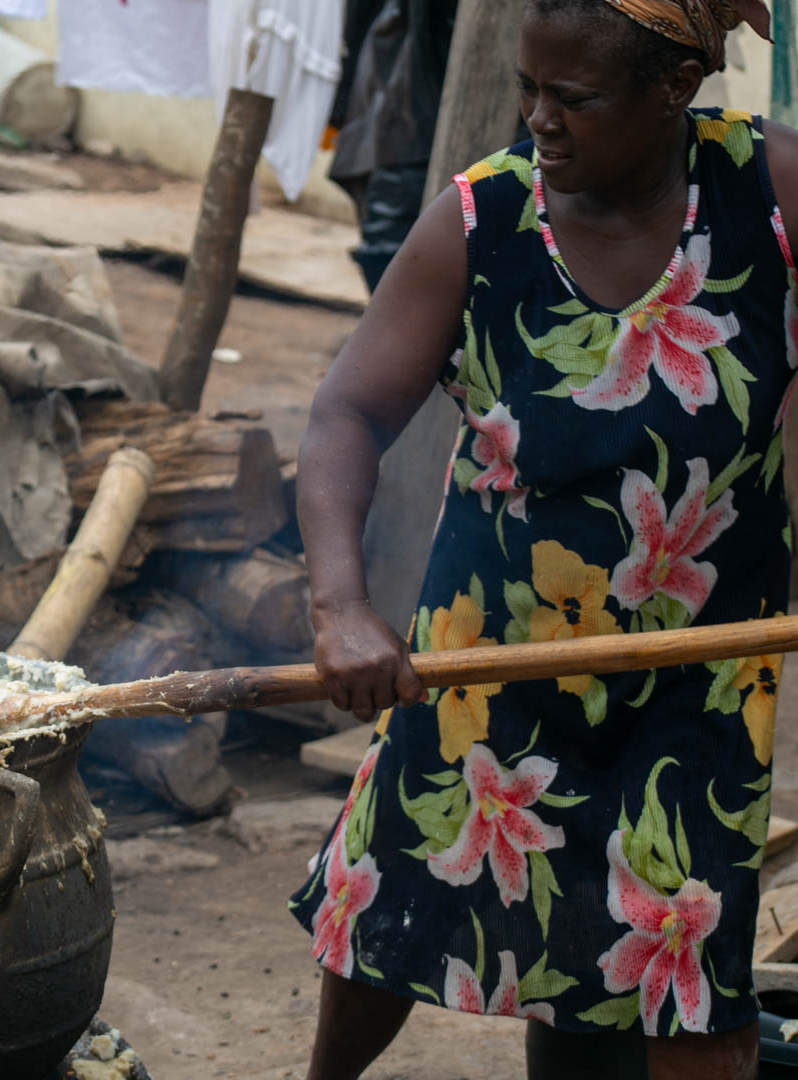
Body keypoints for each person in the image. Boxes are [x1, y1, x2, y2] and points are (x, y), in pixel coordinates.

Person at [289, 1, 791, 1078]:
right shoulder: (484, 218)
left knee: (683, 959)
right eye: (529, 89)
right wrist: (341, 607)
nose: (538, 119)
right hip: (490, 655)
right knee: (394, 904)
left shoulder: (772, 193)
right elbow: (347, 418)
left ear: (675, 86)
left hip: (699, 674)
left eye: (573, 97)